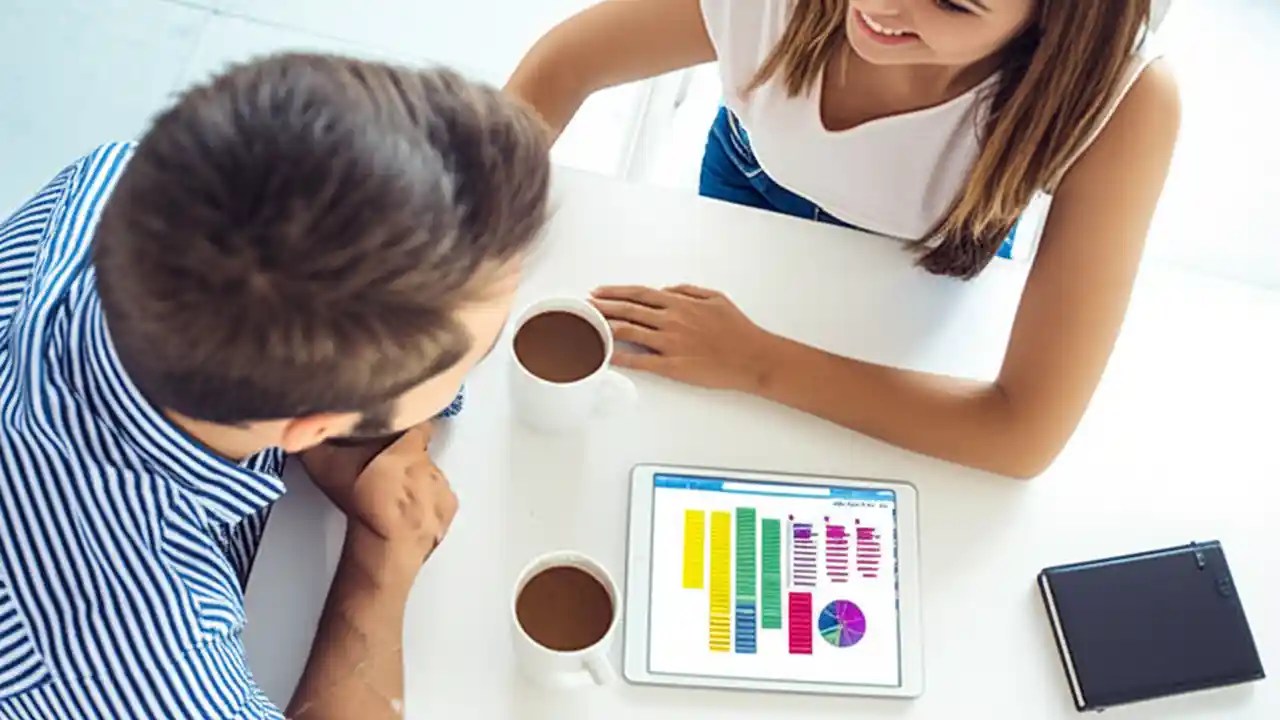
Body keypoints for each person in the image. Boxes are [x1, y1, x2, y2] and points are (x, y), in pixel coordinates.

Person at [0, 54, 550, 718]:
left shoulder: (117, 178)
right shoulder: (131, 659)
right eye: (476, 353)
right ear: (312, 426)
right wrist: (382, 560)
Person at [507, 0, 1181, 478]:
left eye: (953, 2)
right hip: (754, 180)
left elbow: (1022, 433)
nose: (879, 6)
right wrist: (471, 250)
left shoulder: (1125, 104)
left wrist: (758, 363)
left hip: (934, 254)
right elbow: (564, 65)